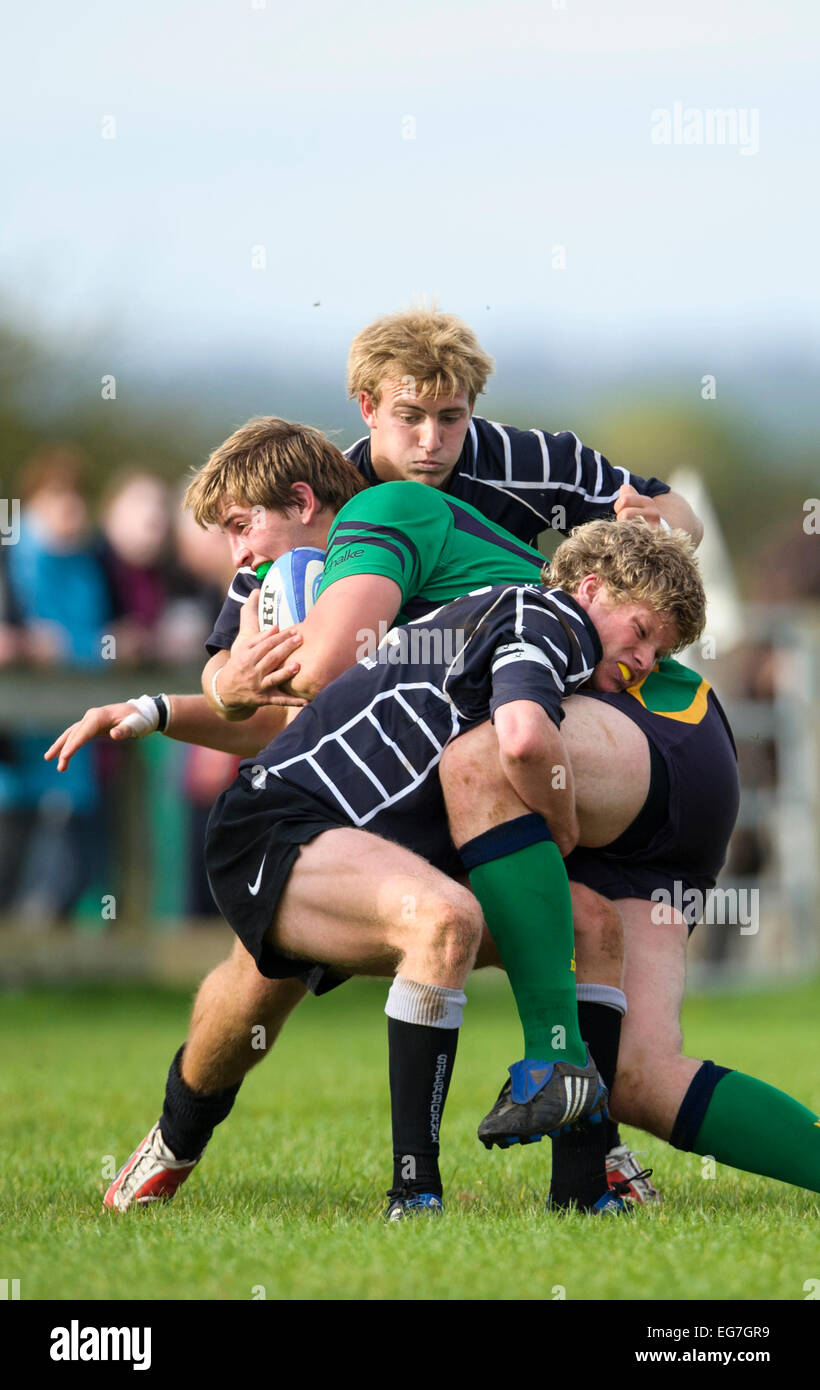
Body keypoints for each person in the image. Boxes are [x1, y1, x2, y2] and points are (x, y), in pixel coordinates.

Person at [102, 518, 701, 1218]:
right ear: (591, 589)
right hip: (279, 825)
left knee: (590, 925)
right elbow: (523, 739)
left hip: (372, 846)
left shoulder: (530, 630)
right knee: (437, 922)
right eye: (642, 632)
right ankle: (410, 1194)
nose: (645, 660)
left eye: (662, 652)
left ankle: (582, 1187)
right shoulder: (546, 615)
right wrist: (563, 822)